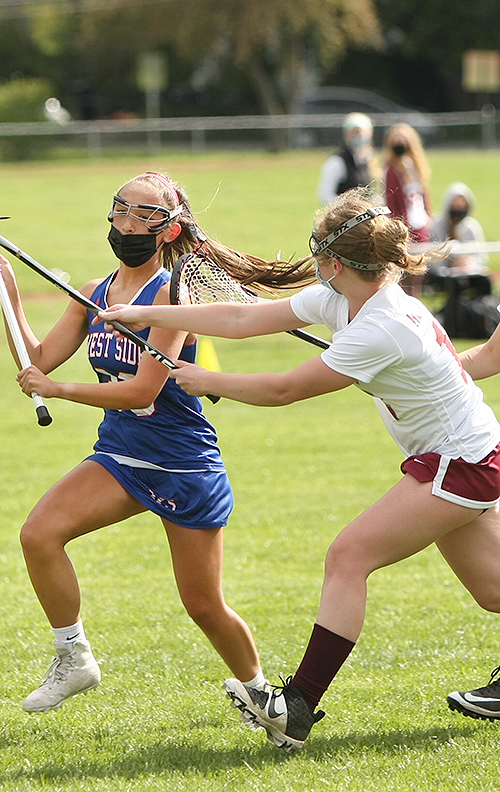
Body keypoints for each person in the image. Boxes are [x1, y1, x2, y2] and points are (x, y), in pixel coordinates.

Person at [98, 186, 500, 750]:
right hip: (466, 454)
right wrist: (142, 313)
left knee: (349, 556)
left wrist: (208, 380)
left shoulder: (380, 326)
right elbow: (240, 317)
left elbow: (285, 389)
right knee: (492, 590)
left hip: (460, 461)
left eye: (318, 248)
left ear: (335, 262)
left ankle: (299, 705)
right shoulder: (345, 300)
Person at [0, 171, 313, 714]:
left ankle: (262, 696)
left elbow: (142, 390)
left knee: (203, 605)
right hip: (120, 455)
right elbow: (36, 361)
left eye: (143, 215)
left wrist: (59, 391)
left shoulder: (172, 297)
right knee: (39, 534)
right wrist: (9, 291)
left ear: (168, 230)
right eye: (121, 210)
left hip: (183, 464)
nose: (127, 223)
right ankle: (73, 657)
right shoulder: (93, 293)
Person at [427, 182, 494, 338]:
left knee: (485, 282)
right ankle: (452, 324)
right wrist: (451, 265)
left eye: (462, 205)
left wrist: (469, 263)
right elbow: (433, 258)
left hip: (468, 272)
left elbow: (480, 257)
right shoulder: (436, 226)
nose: (458, 210)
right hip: (443, 274)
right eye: (455, 205)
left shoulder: (471, 227)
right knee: (456, 284)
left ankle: (481, 319)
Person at [382, 123, 432, 297]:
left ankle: (416, 300)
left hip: (420, 222)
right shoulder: (390, 169)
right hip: (404, 224)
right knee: (404, 271)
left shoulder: (414, 166)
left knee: (419, 269)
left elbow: (423, 193)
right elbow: (391, 199)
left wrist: (428, 215)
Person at [317, 112, 377, 205]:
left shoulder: (366, 160)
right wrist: (346, 208)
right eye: (355, 132)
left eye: (362, 132)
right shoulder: (337, 161)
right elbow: (325, 195)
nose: (359, 136)